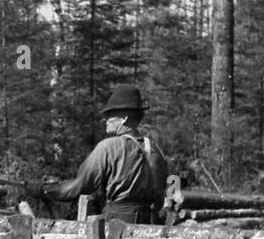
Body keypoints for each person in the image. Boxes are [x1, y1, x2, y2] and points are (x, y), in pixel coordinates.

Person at [38, 85, 170, 224]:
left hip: (119, 223)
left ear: (124, 118)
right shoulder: (154, 148)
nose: (105, 119)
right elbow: (162, 190)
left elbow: (79, 187)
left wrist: (44, 190)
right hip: (152, 223)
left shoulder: (109, 147)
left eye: (109, 115)